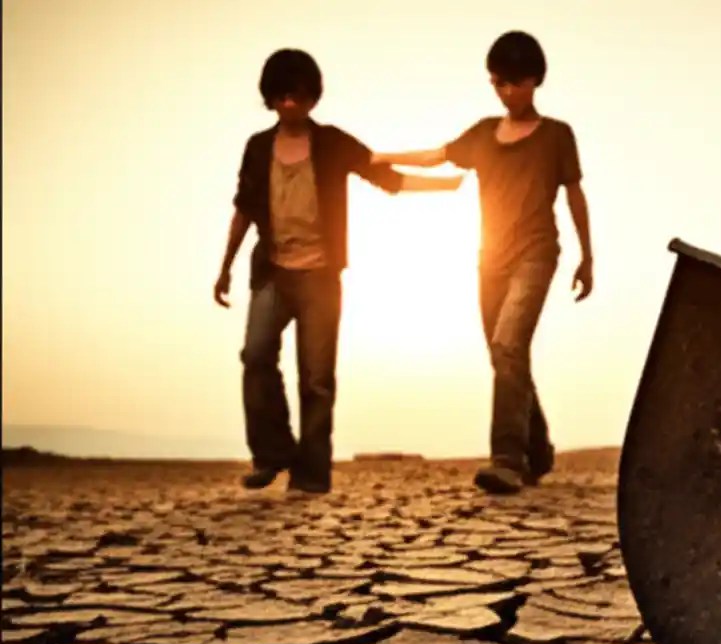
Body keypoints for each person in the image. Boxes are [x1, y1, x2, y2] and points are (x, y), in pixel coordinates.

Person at [215, 48, 463, 494]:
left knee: (317, 377)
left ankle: (311, 474)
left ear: (312, 97)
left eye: (299, 95)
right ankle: (271, 454)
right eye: (281, 96)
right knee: (255, 356)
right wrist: (225, 268)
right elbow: (243, 211)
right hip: (271, 272)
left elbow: (386, 176)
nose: (290, 104)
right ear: (270, 98)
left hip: (320, 277)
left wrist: (449, 183)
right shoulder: (257, 148)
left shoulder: (331, 143)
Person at [373, 31, 594, 495]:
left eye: (515, 83)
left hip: (536, 253)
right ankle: (541, 449)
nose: (506, 92)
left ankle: (507, 460)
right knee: (504, 354)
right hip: (489, 259)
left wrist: (587, 257)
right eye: (497, 83)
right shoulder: (481, 134)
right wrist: (381, 156)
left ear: (535, 80)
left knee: (509, 345)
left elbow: (574, 193)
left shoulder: (557, 135)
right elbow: (437, 155)